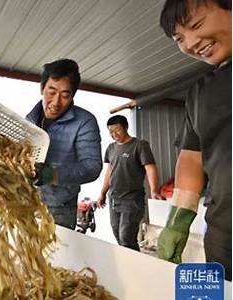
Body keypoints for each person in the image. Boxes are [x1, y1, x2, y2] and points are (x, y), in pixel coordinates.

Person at [157, 0, 231, 281]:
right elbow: (191, 158)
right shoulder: (199, 92)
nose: (190, 43)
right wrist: (177, 222)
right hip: (223, 236)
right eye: (179, 39)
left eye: (196, 25)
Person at [26, 58, 102, 230]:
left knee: (55, 255)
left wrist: (49, 174)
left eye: (65, 95)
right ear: (42, 88)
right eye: (51, 92)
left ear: (72, 96)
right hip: (27, 202)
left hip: (60, 208)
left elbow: (92, 167)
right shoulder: (30, 120)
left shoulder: (84, 122)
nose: (56, 102)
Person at [96, 115, 163, 251]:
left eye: (117, 130)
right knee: (118, 236)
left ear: (126, 127)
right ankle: (130, 263)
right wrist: (102, 193)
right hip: (114, 199)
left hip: (132, 200)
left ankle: (135, 266)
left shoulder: (139, 145)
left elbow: (150, 168)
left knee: (126, 238)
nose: (114, 134)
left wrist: (154, 190)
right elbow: (109, 172)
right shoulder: (111, 148)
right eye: (111, 132)